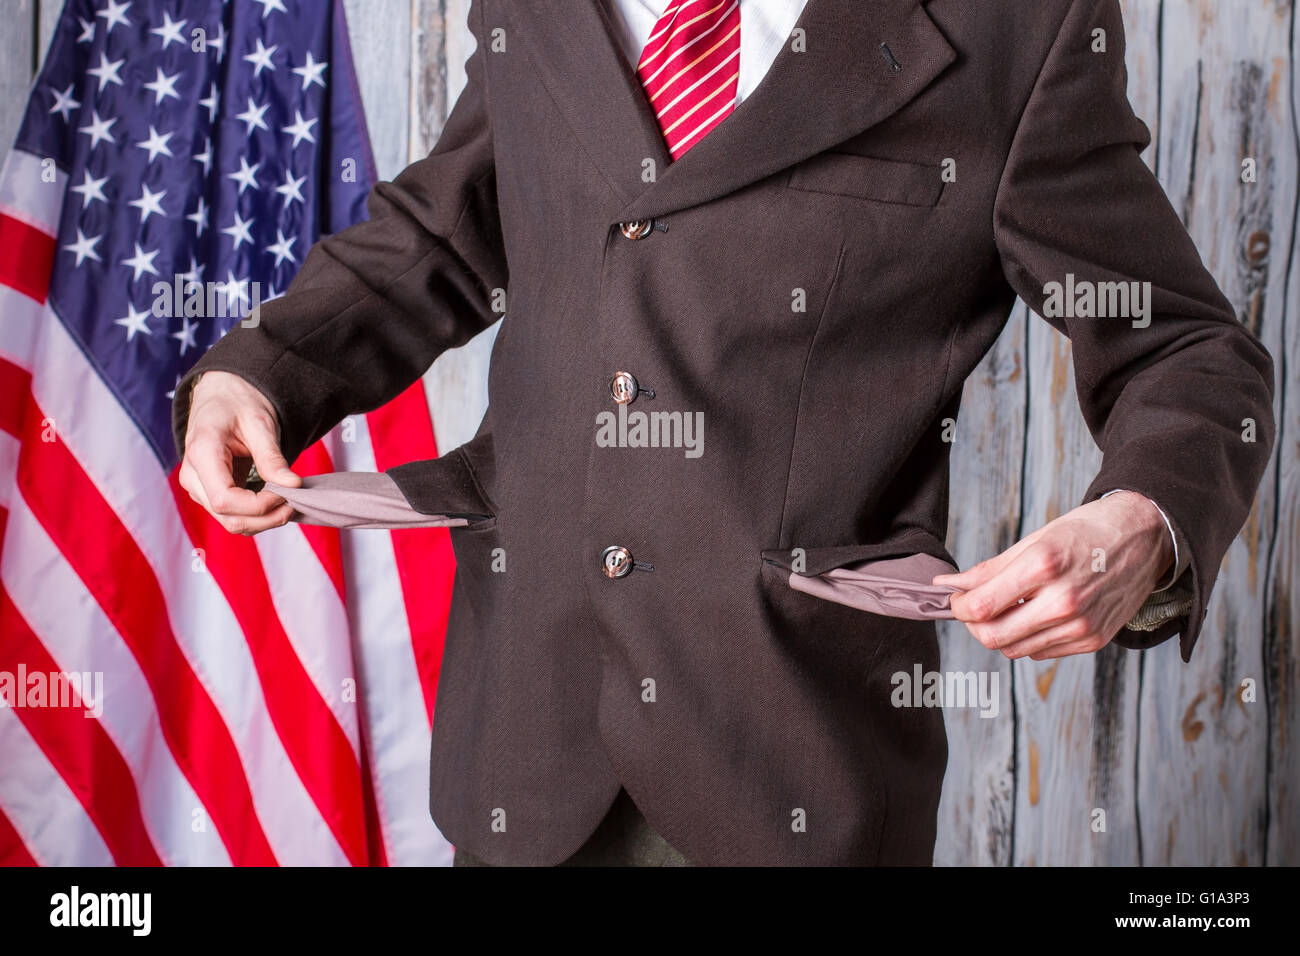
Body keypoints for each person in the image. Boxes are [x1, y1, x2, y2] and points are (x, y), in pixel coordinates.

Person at [173, 0, 1276, 866]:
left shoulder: (1012, 24)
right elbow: (448, 227)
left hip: (792, 764)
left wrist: (1140, 522)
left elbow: (1182, 349)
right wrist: (262, 368)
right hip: (524, 742)